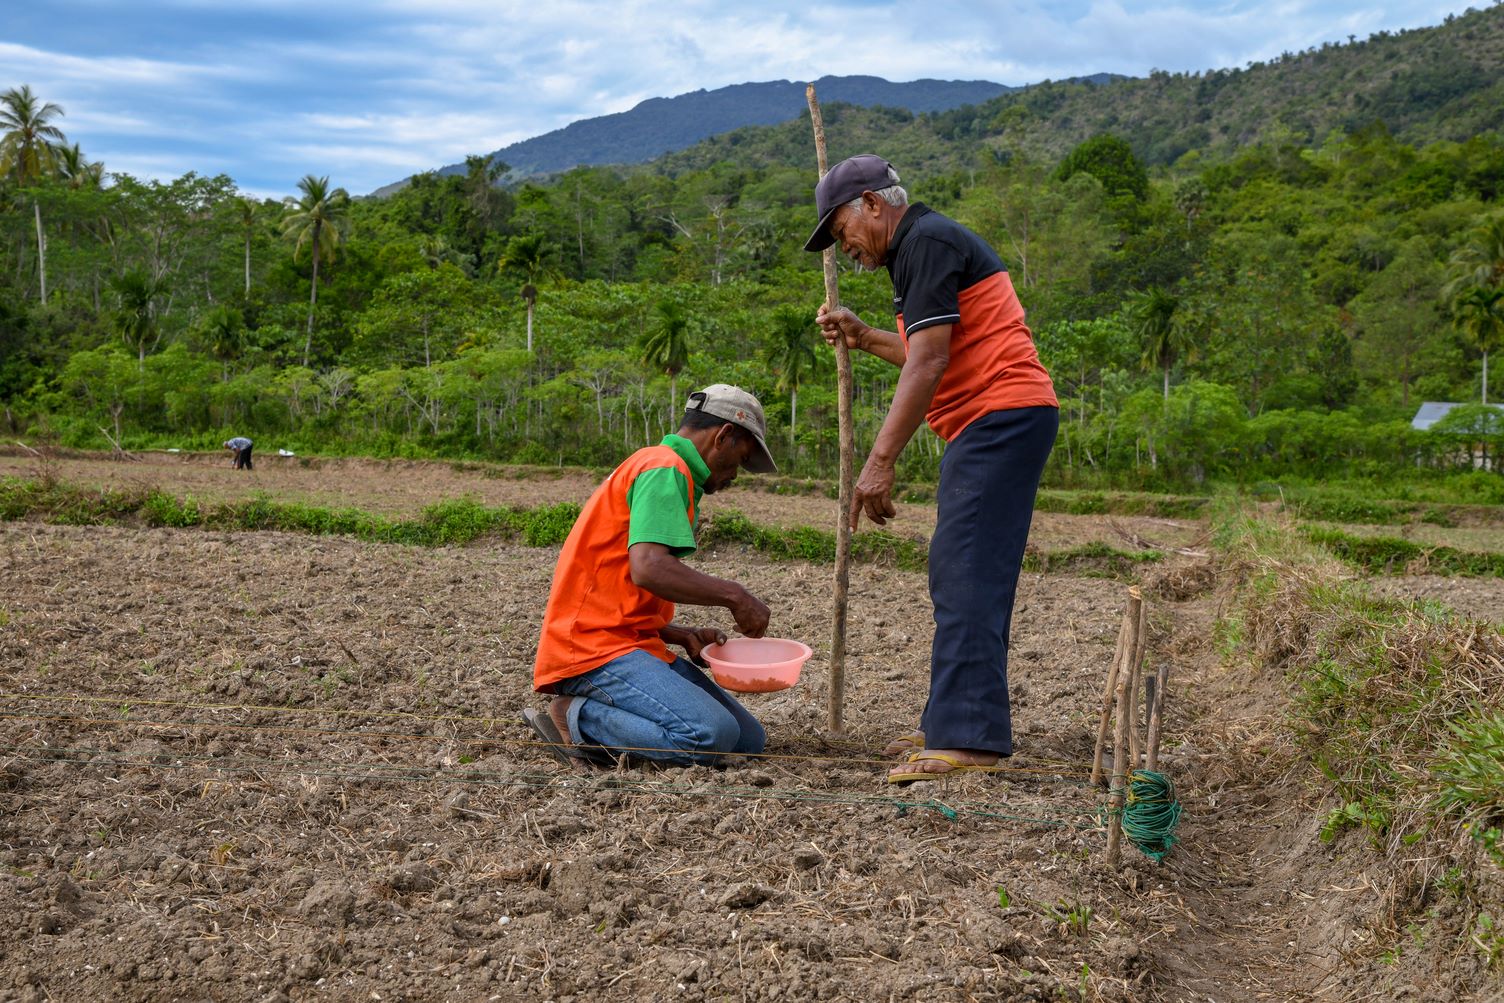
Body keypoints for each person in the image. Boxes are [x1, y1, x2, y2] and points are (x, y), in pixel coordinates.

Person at [804, 154, 1059, 784]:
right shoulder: (918, 250)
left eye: (842, 231)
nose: (847, 247)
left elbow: (929, 365)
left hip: (1000, 415)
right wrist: (864, 337)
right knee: (965, 568)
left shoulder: (928, 240)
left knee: (966, 568)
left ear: (871, 204)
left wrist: (879, 463)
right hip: (997, 418)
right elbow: (924, 349)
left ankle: (968, 737)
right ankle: (957, 718)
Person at [527, 384, 778, 767]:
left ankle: (608, 716)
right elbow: (649, 568)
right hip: (595, 650)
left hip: (629, 641)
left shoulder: (660, 468)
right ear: (724, 436)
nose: (735, 475)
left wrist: (676, 633)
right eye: (739, 460)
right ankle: (578, 717)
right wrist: (736, 596)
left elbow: (622, 579)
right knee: (710, 736)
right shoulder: (664, 468)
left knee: (747, 740)